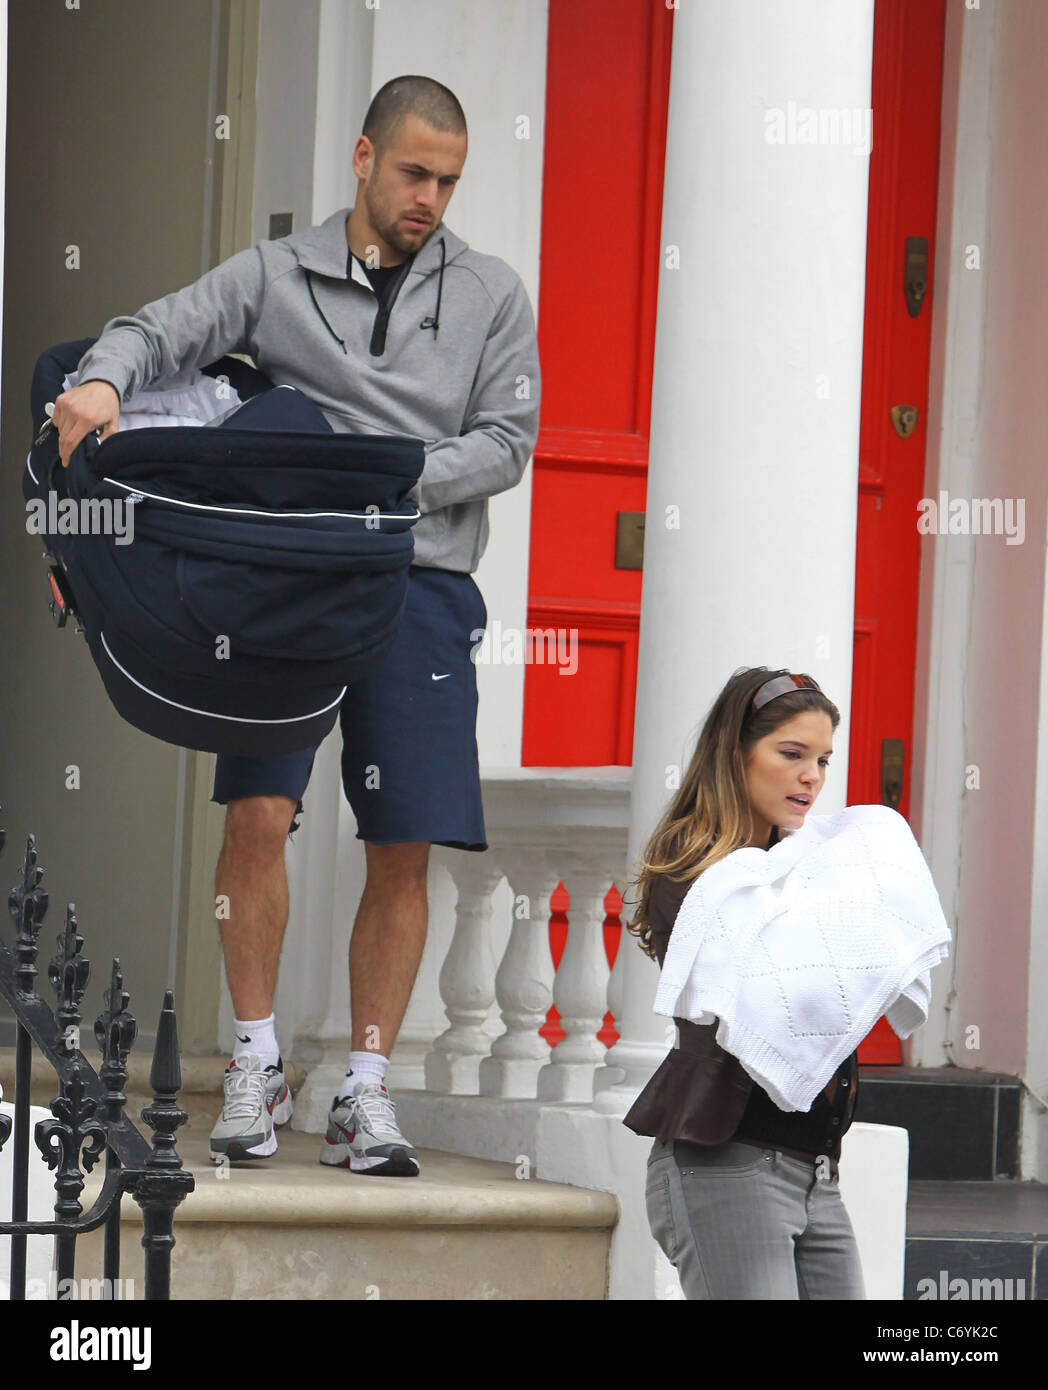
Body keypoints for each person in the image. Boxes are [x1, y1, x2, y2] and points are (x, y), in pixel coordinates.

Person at [52, 75, 541, 1177]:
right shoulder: (274, 275)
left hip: (418, 584)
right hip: (285, 585)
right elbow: (155, 330)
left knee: (401, 840)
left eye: (449, 180)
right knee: (259, 815)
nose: (430, 197)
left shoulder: (494, 294)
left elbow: (508, 440)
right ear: (362, 159)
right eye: (414, 171)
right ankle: (257, 1062)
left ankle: (366, 1089)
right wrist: (97, 383)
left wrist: (386, 481)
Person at [622, 667, 867, 1299]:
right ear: (737, 754)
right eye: (791, 754)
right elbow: (771, 998)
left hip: (815, 1170)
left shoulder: (803, 868)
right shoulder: (692, 873)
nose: (812, 776)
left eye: (822, 759)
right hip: (727, 1162)